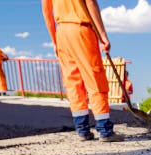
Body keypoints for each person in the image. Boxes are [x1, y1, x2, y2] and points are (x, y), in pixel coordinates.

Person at [42, 0, 124, 142]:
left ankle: (82, 130)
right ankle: (105, 130)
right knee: (95, 78)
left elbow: (47, 12)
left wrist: (54, 41)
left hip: (62, 32)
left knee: (73, 82)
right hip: (81, 28)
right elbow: (91, 3)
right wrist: (102, 36)